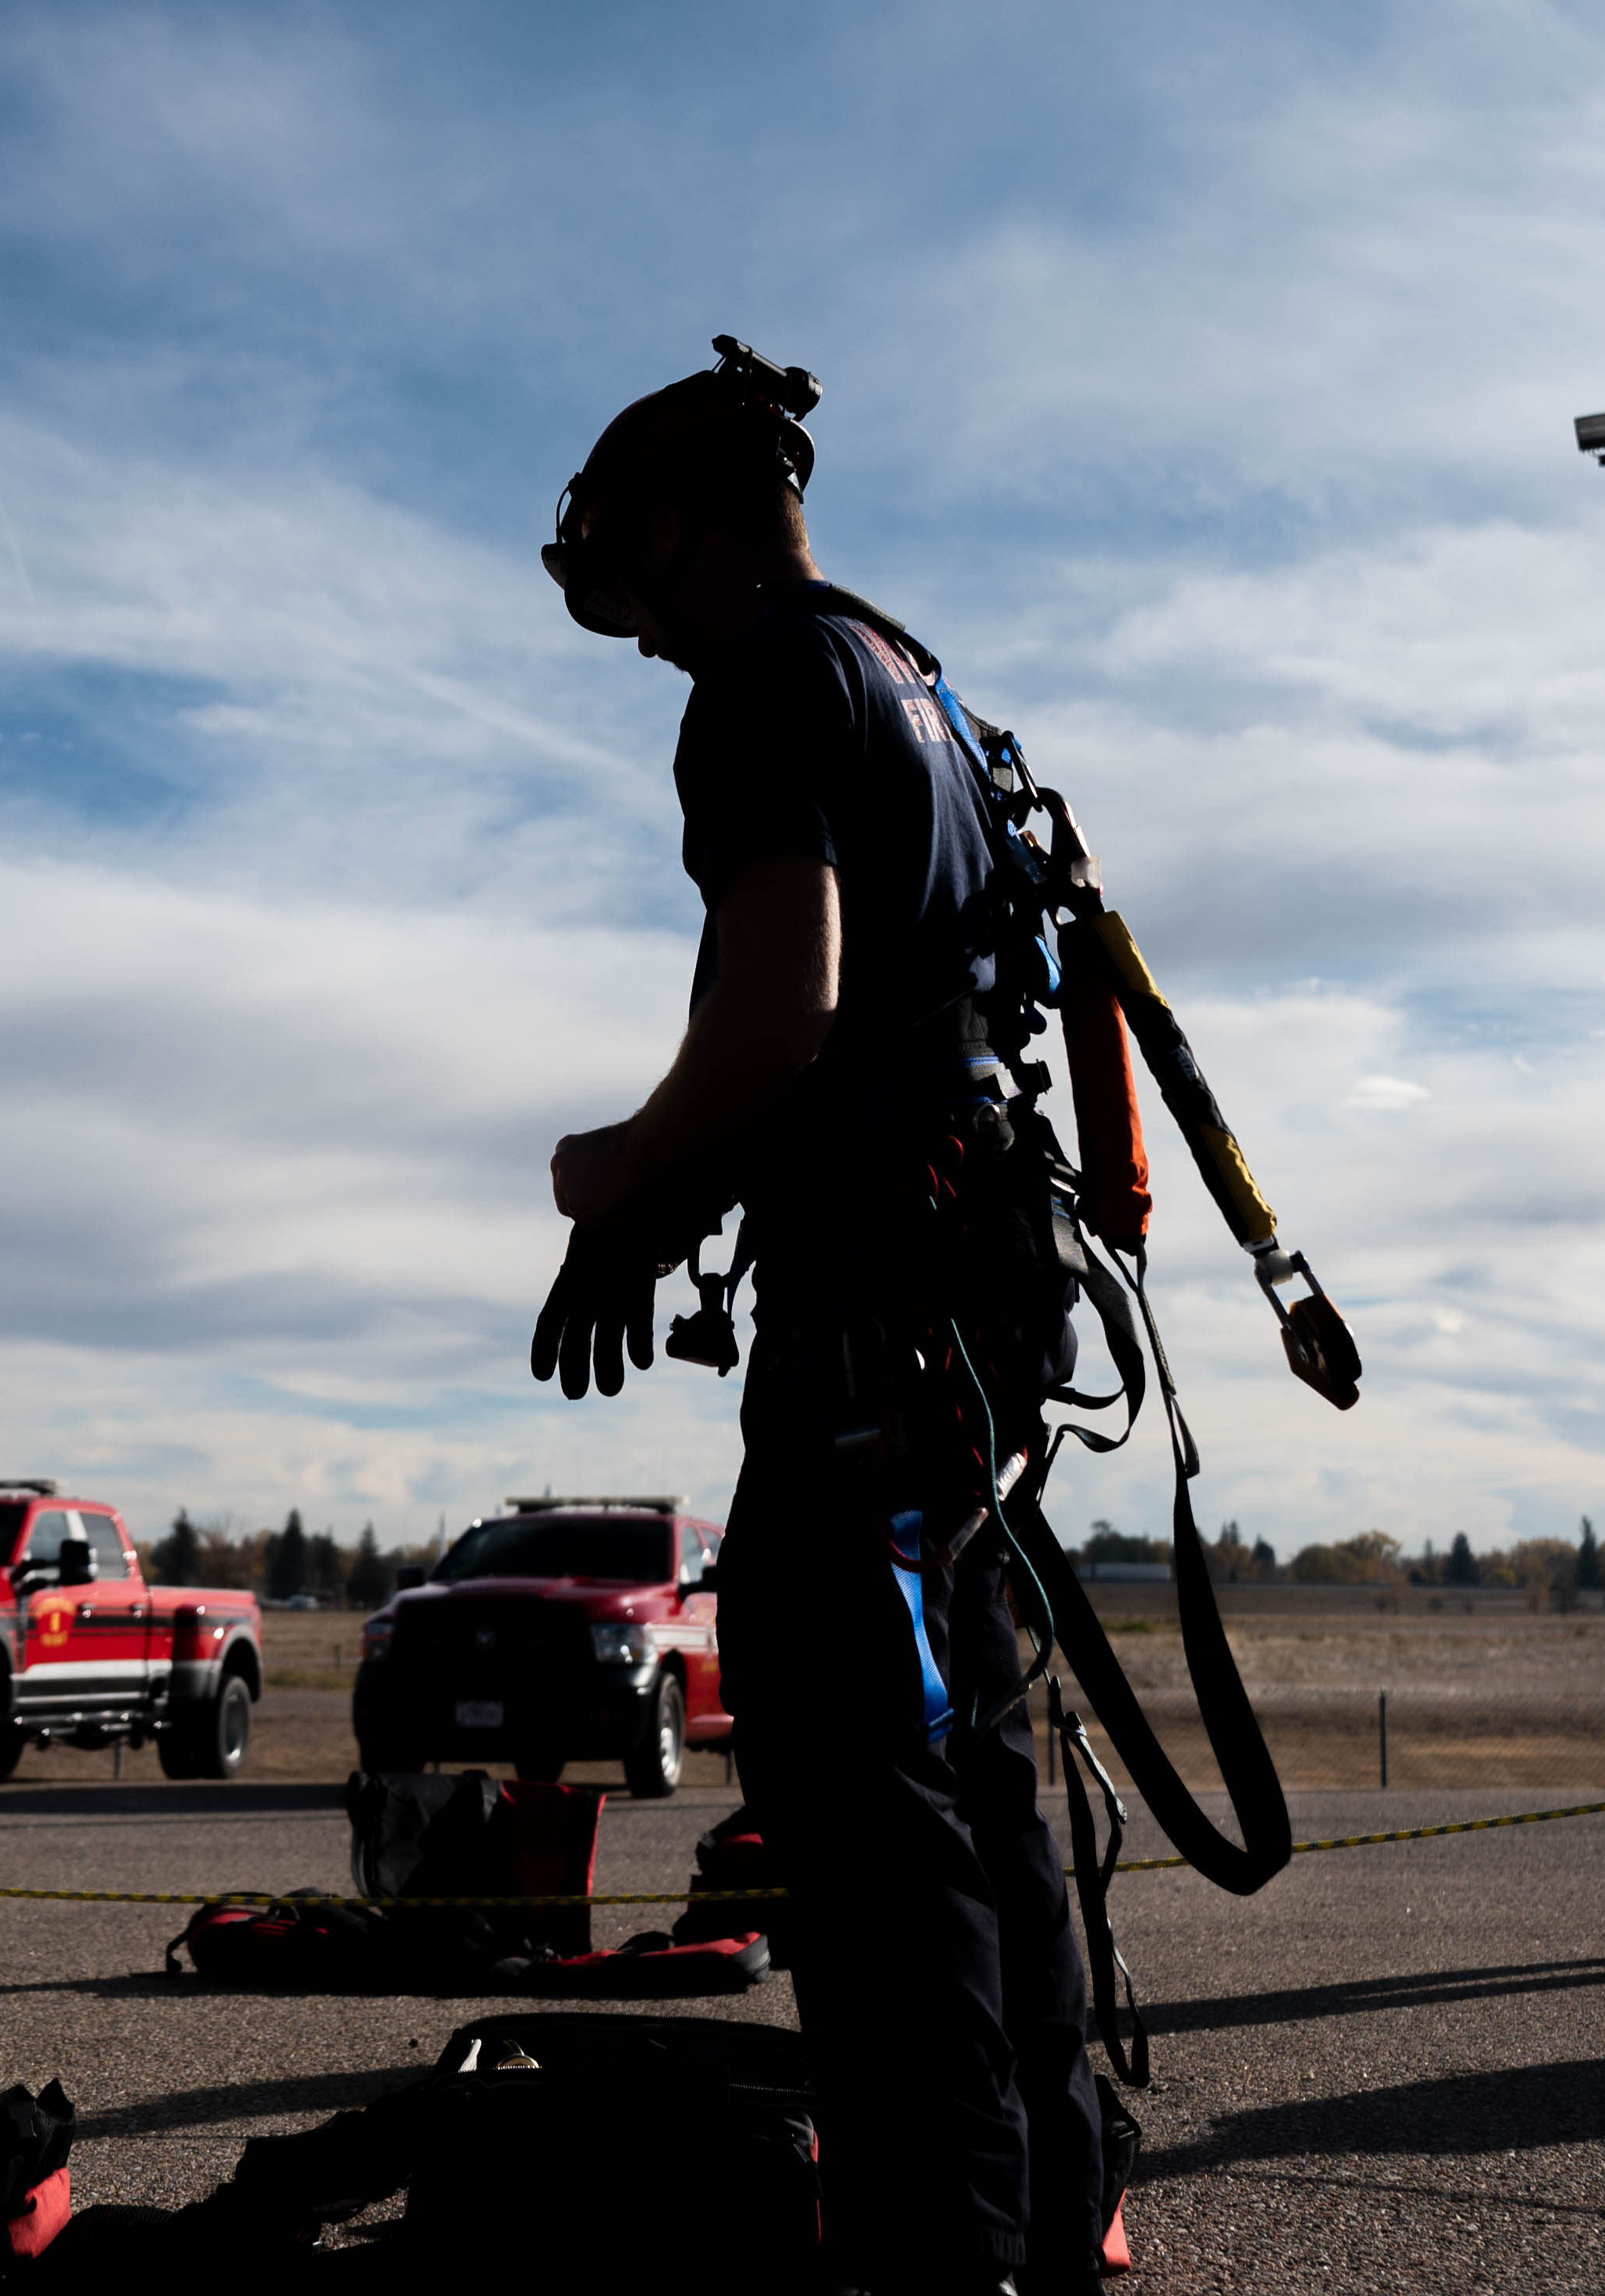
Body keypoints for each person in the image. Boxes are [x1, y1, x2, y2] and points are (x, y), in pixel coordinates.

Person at [527, 340, 1103, 2296]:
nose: (637, 645)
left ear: (673, 528)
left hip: (878, 1310)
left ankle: (951, 2248)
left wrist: (619, 1175)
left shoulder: (768, 678)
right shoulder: (925, 686)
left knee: (871, 1818)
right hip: (969, 1307)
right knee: (983, 1766)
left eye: (627, 588)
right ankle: (1053, 2202)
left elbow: (779, 1010)